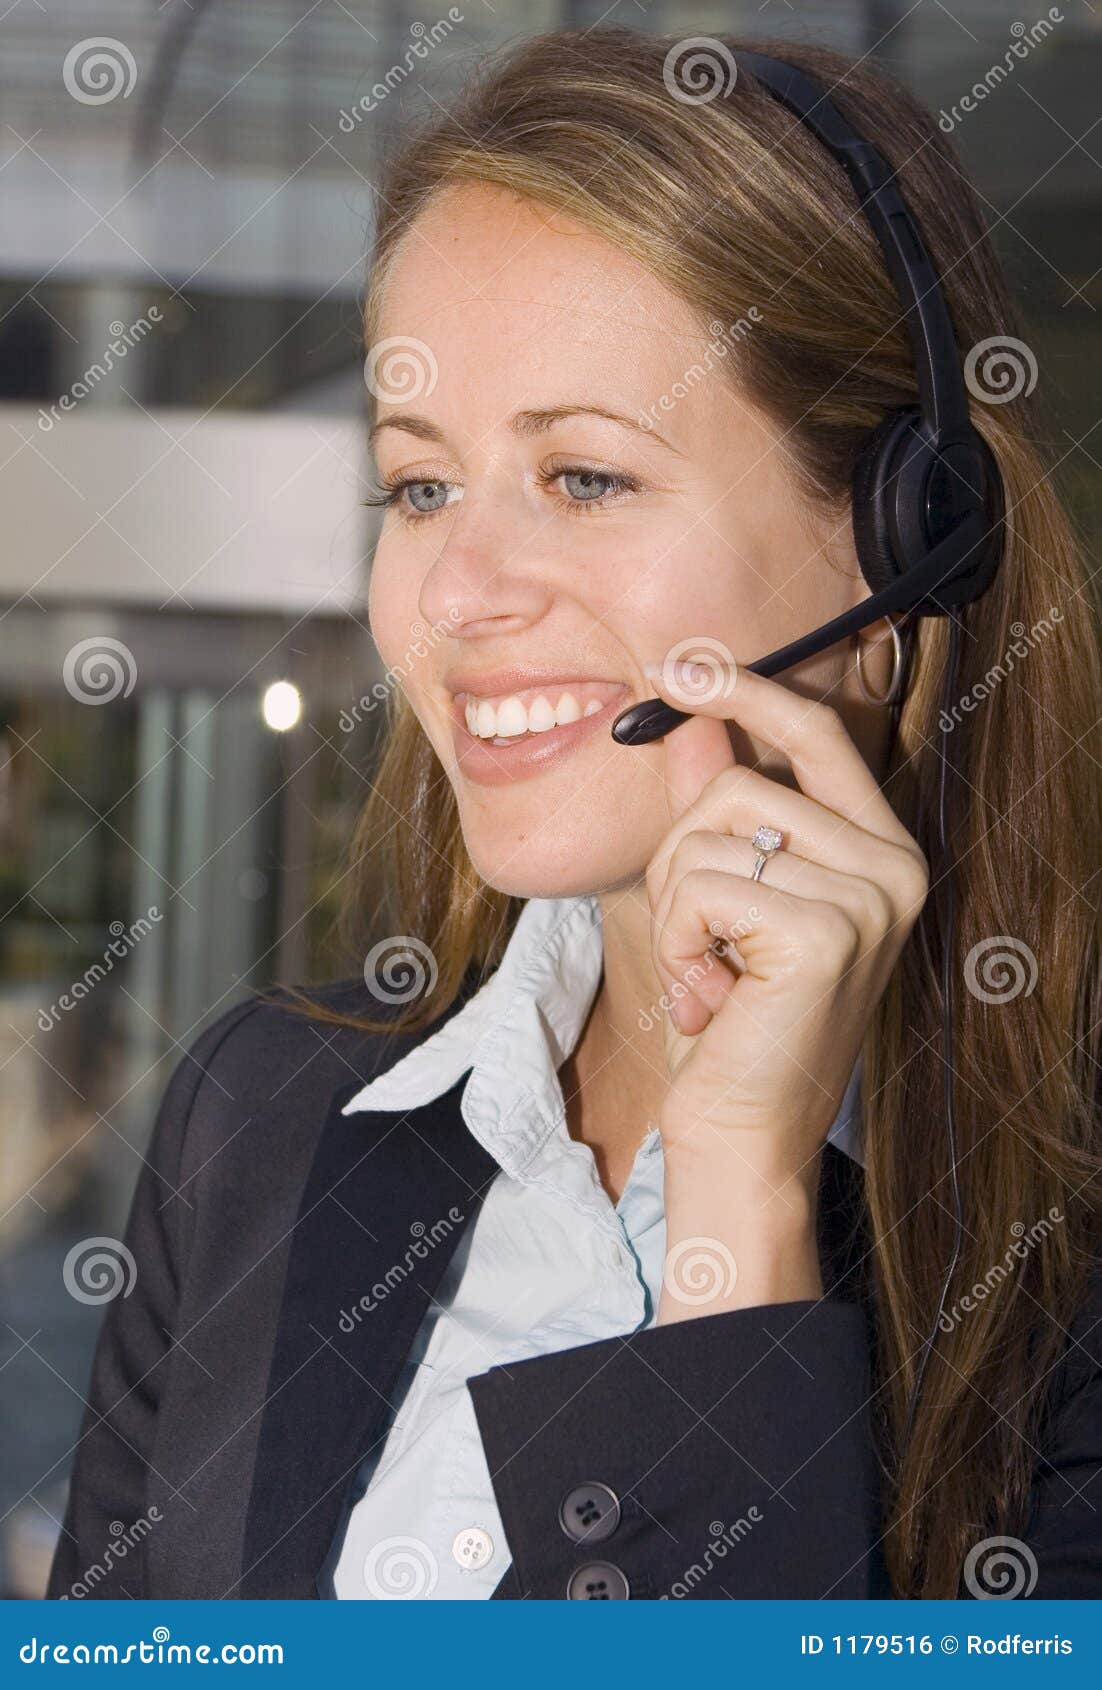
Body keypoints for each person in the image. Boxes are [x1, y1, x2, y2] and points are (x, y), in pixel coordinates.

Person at [47, 28, 1102, 1602]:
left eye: (585, 478)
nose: (454, 595)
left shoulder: (1063, 1251)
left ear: (907, 540)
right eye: (418, 488)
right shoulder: (260, 1120)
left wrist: (738, 1210)